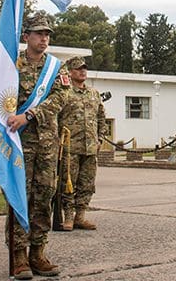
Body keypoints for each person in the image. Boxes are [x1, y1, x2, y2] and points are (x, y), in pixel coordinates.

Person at [5, 16, 70, 279]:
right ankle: (19, 256)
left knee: (44, 197)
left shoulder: (56, 67)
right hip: (19, 142)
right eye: (39, 33)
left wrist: (30, 115)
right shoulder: (12, 64)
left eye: (47, 34)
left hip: (46, 145)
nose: (44, 38)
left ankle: (38, 253)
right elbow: (0, 96)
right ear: (26, 36)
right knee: (19, 197)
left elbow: (61, 97)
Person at [56, 56, 107, 231]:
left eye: (84, 68)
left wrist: (100, 139)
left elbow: (101, 117)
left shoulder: (94, 93)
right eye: (78, 68)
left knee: (87, 184)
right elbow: (55, 118)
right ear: (70, 72)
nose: (82, 71)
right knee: (68, 183)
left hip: (90, 147)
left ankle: (80, 216)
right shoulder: (64, 93)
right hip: (70, 147)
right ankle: (68, 217)